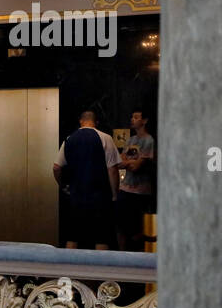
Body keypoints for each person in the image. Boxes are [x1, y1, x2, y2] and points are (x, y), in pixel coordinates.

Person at [52, 110, 120, 250]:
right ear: (96, 122)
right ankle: (100, 271)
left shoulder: (69, 139)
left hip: (76, 196)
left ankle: (69, 271)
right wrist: (114, 194)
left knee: (73, 237)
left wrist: (63, 186)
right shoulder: (105, 138)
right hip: (100, 197)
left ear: (80, 121)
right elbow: (112, 170)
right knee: (101, 238)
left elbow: (56, 168)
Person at [116, 108, 155, 251]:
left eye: (136, 117)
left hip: (140, 191)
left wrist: (129, 162)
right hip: (125, 188)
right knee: (121, 225)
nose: (133, 119)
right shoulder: (131, 140)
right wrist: (129, 162)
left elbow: (137, 166)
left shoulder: (149, 140)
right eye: (132, 117)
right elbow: (120, 162)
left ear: (144, 121)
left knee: (137, 228)